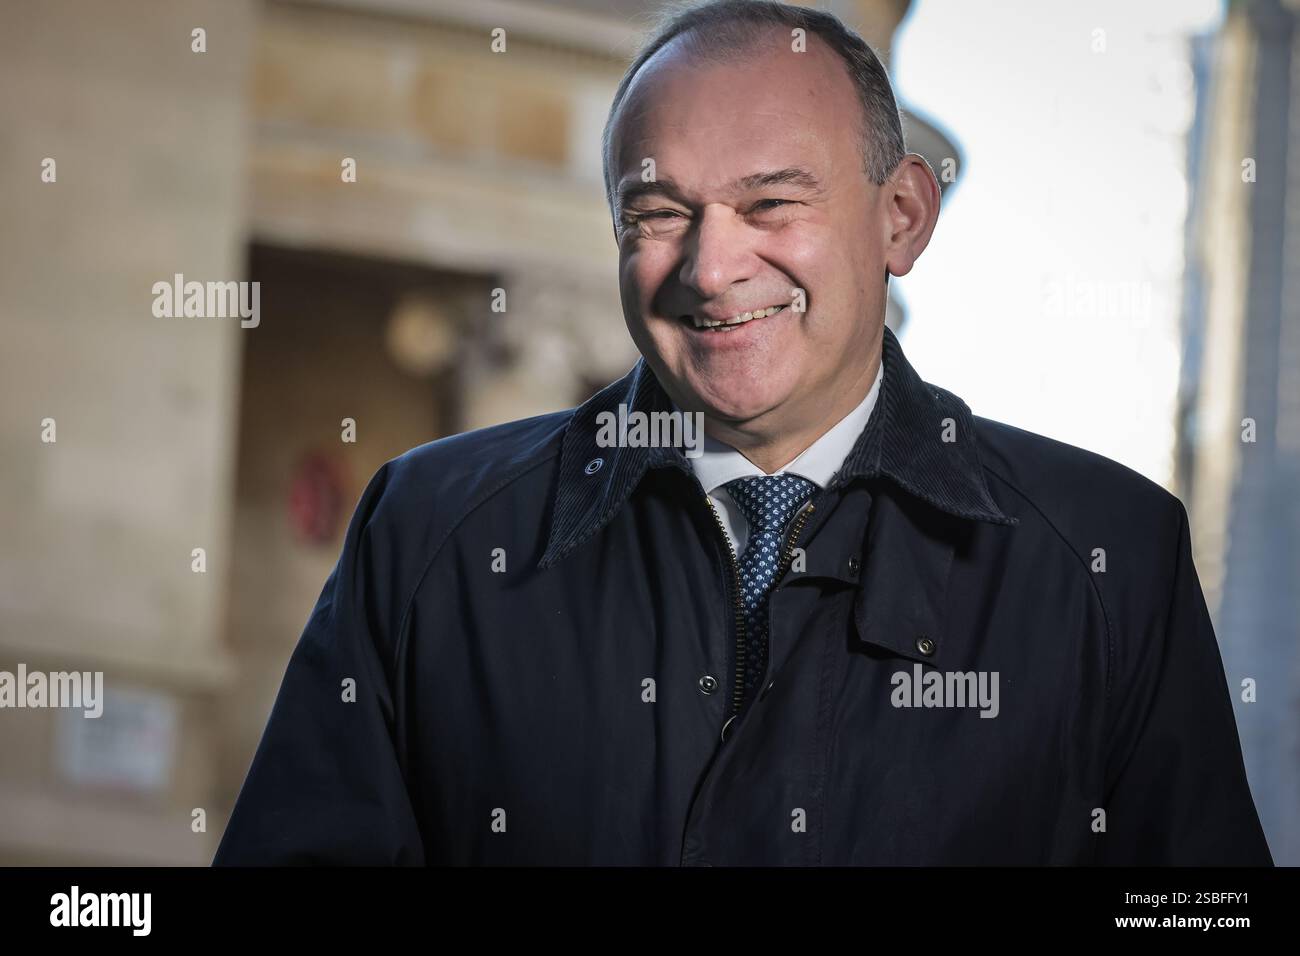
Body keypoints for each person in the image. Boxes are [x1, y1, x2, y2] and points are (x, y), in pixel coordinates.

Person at [214, 0, 1272, 865]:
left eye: (770, 204)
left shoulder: (1107, 558)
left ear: (901, 216)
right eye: (660, 212)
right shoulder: (429, 529)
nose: (711, 268)